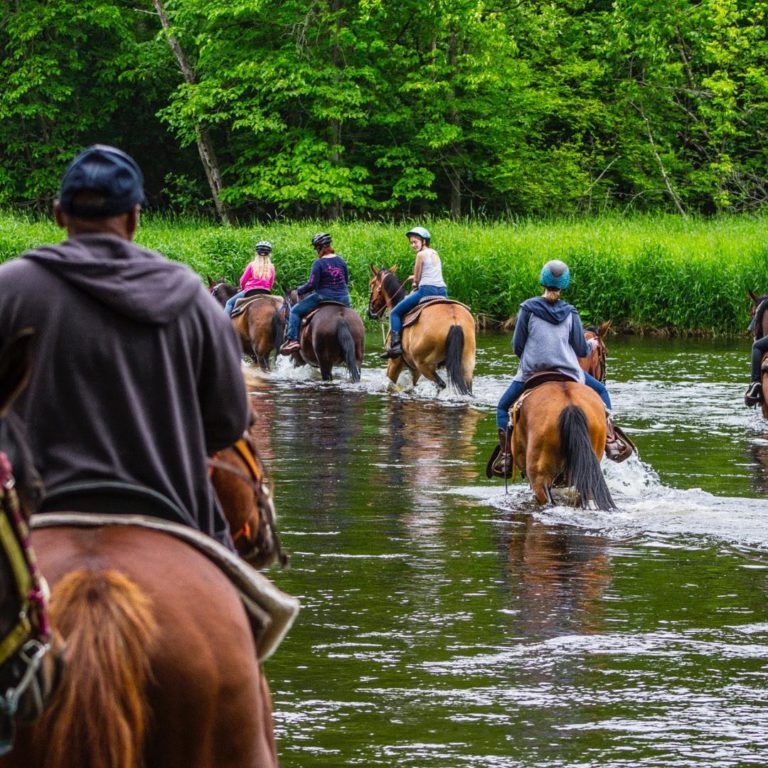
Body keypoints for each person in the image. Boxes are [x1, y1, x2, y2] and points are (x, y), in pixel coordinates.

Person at [0, 144, 249, 549]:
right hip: (174, 516)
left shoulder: (8, 289)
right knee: (255, 610)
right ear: (134, 217)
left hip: (33, 518)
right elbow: (228, 424)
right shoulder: (193, 299)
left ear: (59, 214)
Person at [490, 260, 632, 475]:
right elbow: (581, 351)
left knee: (502, 407)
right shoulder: (571, 312)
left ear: (542, 281)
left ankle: (507, 456)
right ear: (564, 285)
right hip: (568, 372)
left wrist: (532, 357)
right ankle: (610, 440)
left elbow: (517, 346)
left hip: (532, 372)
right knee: (601, 391)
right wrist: (591, 344)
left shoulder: (527, 309)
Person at [381, 226, 448, 358]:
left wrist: (414, 282)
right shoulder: (434, 253)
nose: (413, 245)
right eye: (411, 242)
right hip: (442, 291)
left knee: (395, 312)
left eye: (415, 242)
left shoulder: (420, 255)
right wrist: (416, 278)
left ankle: (395, 347)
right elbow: (431, 272)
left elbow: (417, 280)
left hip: (426, 291)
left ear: (424, 241)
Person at [279, 232, 351, 354]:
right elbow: (346, 280)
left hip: (323, 297)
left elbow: (312, 284)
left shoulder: (318, 263)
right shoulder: (341, 261)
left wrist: (299, 290)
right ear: (329, 246)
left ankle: (293, 341)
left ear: (319, 248)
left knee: (295, 311)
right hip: (344, 298)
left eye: (316, 248)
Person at [224, 240, 276, 315]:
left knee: (229, 303)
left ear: (256, 253)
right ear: (269, 254)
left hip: (250, 291)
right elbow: (271, 284)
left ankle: (223, 325)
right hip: (266, 292)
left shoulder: (252, 265)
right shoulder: (271, 267)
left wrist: (242, 288)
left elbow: (242, 280)